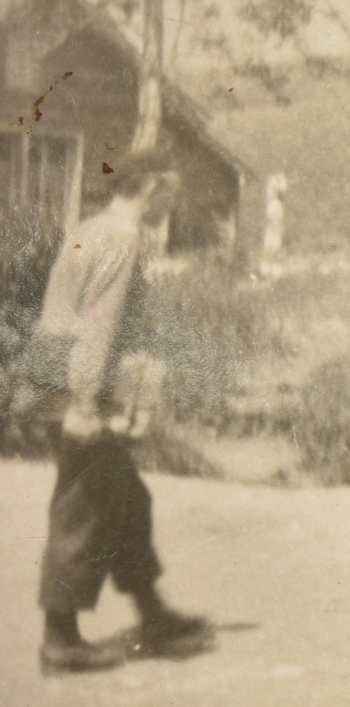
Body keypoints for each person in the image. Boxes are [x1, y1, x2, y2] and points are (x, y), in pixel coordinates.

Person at [24, 150, 212, 674]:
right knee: (83, 508)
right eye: (169, 195)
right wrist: (83, 403)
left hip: (53, 372)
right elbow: (97, 326)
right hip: (75, 384)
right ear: (149, 189)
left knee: (128, 497)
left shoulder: (92, 228)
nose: (169, 206)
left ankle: (153, 614)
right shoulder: (123, 240)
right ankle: (59, 639)